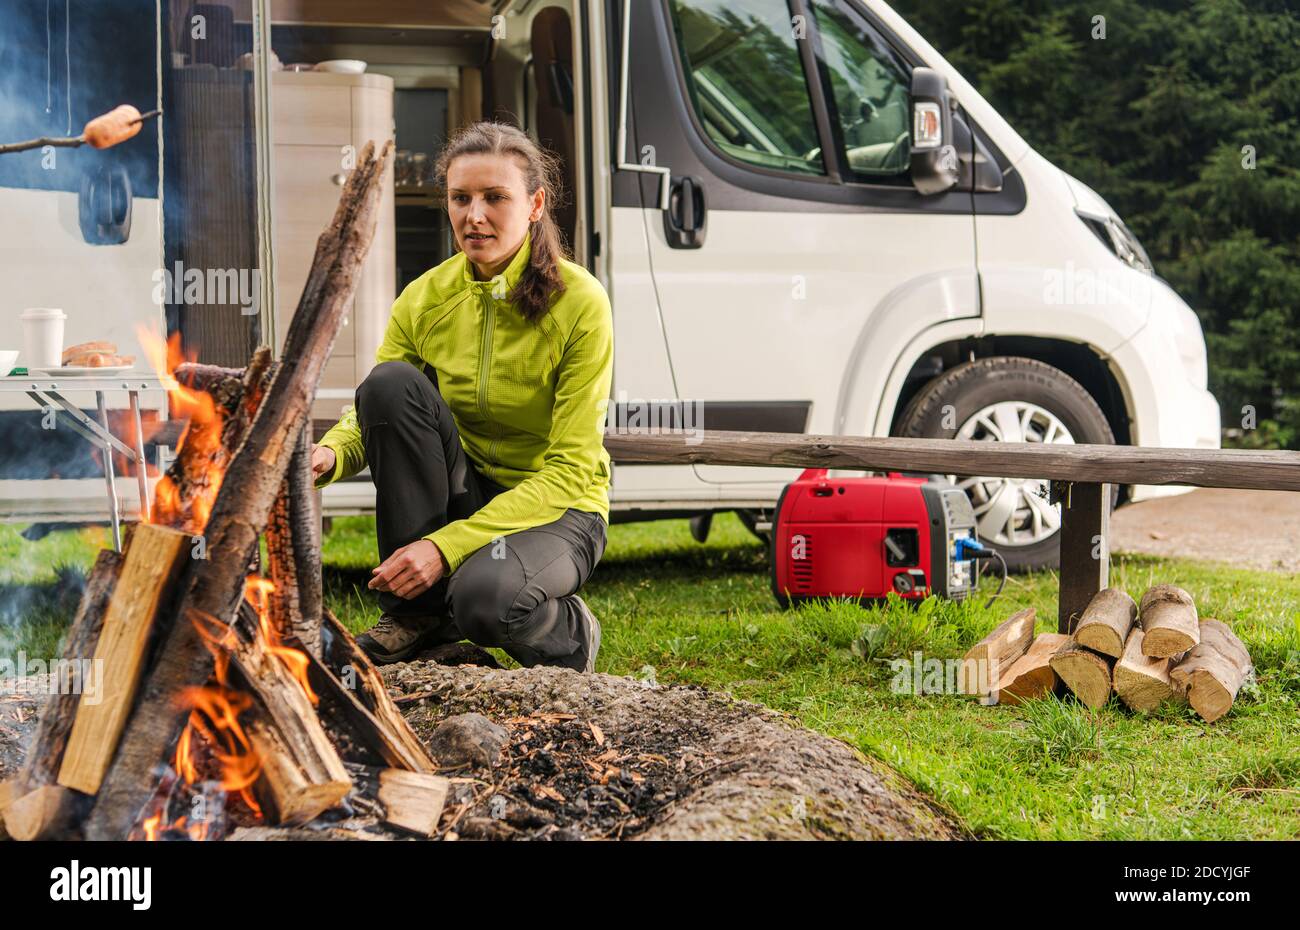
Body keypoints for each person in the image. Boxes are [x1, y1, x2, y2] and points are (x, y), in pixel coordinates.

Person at [310, 122, 612, 672]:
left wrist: (445, 547)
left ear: (535, 204)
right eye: (460, 198)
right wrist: (329, 454)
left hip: (559, 509)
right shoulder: (425, 297)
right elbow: (378, 410)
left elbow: (570, 470)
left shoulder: (581, 304)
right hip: (469, 489)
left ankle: (570, 632)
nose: (475, 215)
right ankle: (415, 615)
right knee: (390, 383)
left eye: (496, 198)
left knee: (482, 601)